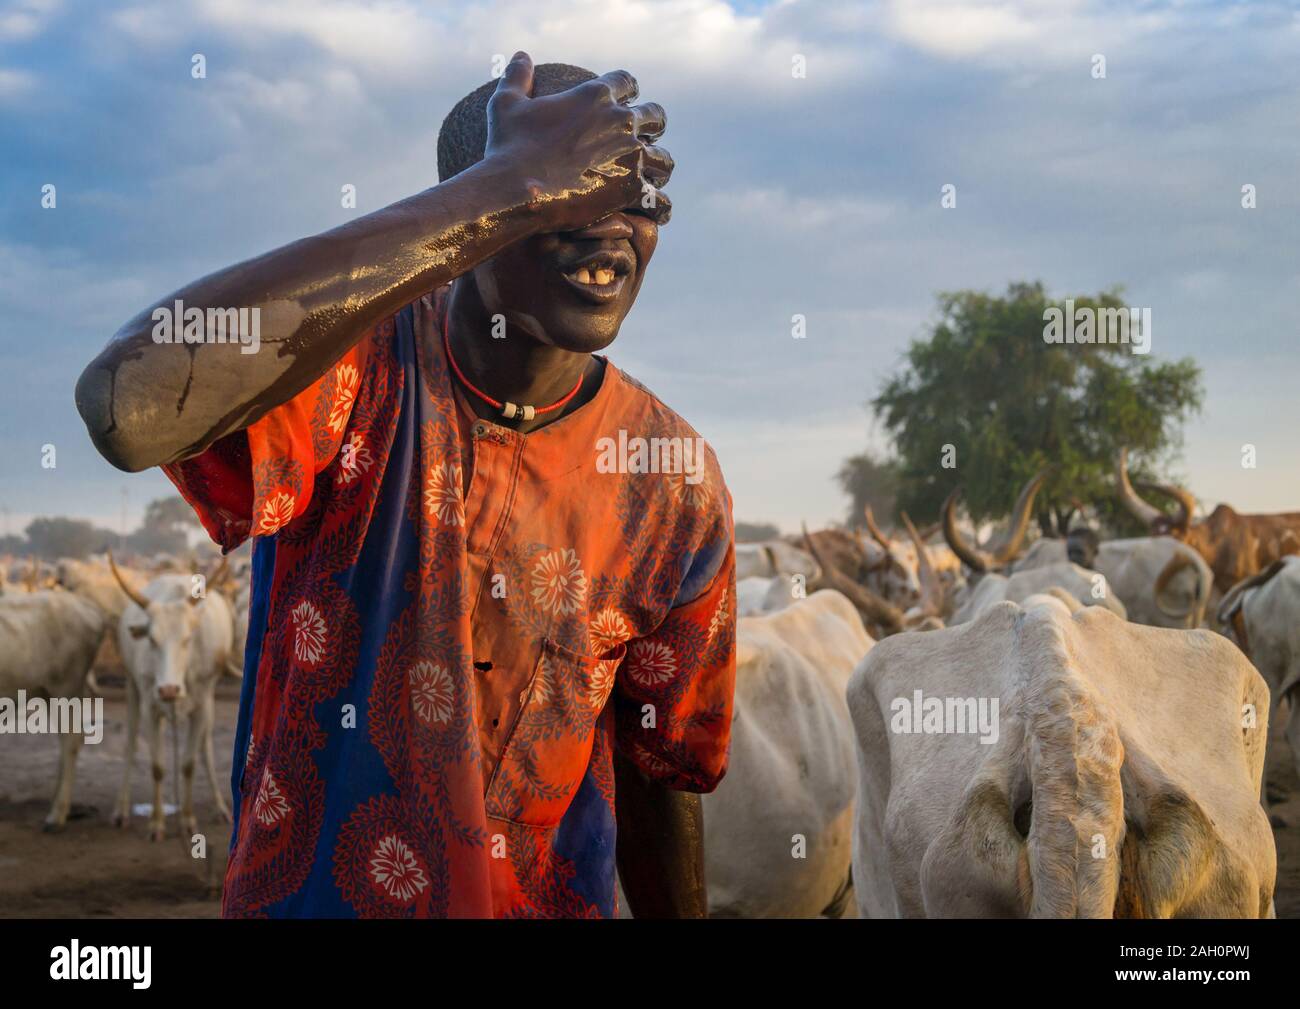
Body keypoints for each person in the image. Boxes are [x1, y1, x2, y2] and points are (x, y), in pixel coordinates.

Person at [76, 52, 736, 918]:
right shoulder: (345, 375)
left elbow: (659, 767)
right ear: (478, 209)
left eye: (632, 192)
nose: (610, 228)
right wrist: (502, 188)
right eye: (568, 194)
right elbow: (130, 406)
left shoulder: (672, 482)